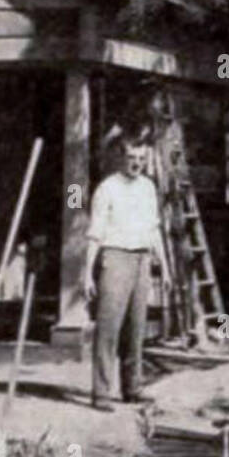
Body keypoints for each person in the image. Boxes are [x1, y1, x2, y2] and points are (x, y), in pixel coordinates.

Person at [83, 135, 166, 411]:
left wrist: (163, 267)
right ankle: (102, 392)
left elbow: (154, 230)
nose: (137, 164)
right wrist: (87, 274)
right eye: (132, 158)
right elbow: (95, 233)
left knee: (136, 327)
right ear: (121, 157)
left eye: (142, 160)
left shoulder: (148, 188)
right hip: (115, 257)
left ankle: (132, 387)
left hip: (142, 258)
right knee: (109, 328)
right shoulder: (107, 188)